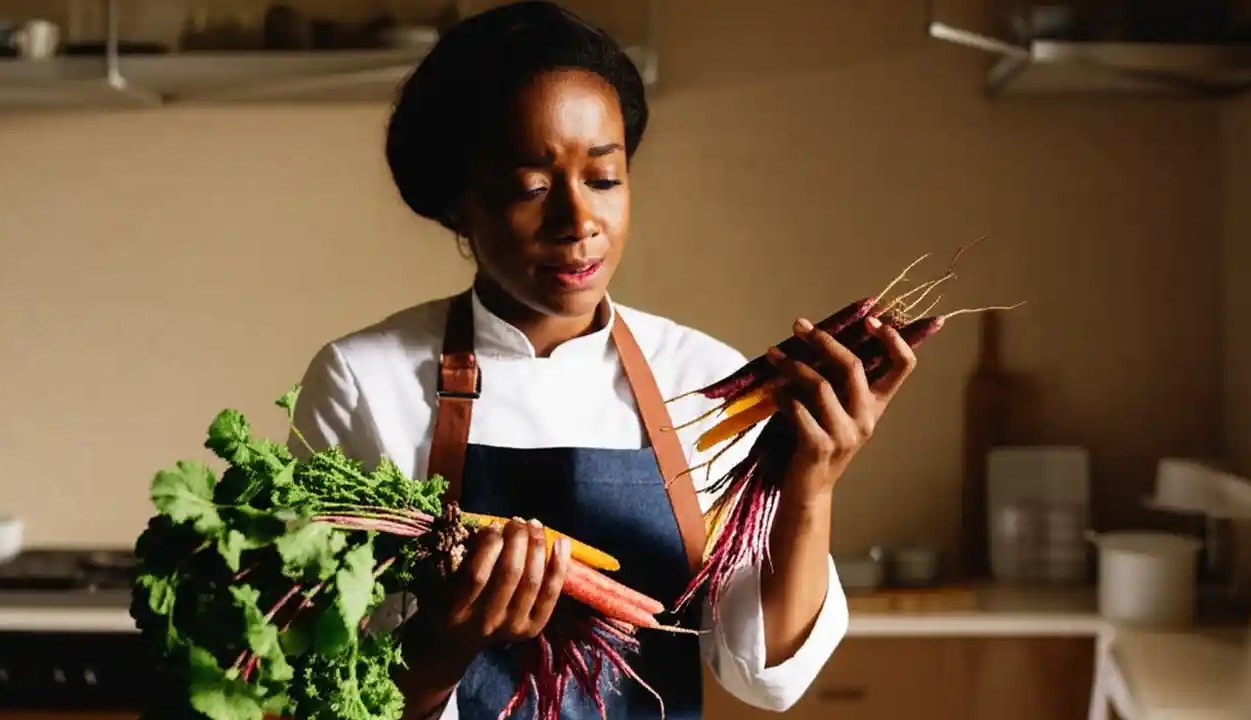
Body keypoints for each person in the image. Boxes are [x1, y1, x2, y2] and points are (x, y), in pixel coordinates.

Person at [290, 2, 921, 719]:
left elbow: (766, 678)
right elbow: (328, 692)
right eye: (531, 186)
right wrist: (445, 639)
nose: (578, 222)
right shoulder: (364, 382)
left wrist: (810, 489)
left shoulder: (704, 383)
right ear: (459, 205)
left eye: (604, 178)